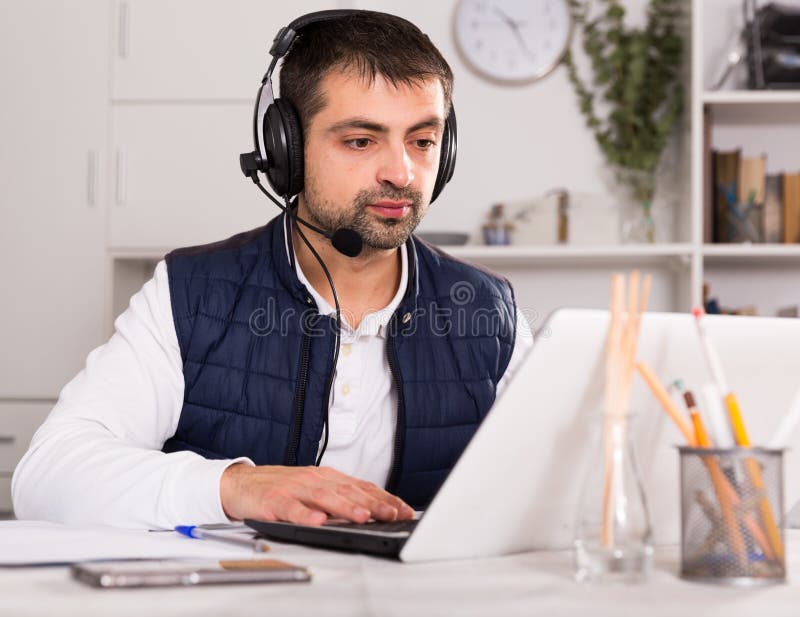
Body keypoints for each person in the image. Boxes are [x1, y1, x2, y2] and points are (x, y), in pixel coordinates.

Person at [12, 10, 533, 529]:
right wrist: (233, 487)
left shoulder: (489, 310)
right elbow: (46, 480)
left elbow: (557, 492)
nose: (401, 173)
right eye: (360, 140)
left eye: (421, 141)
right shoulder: (190, 294)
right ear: (286, 149)